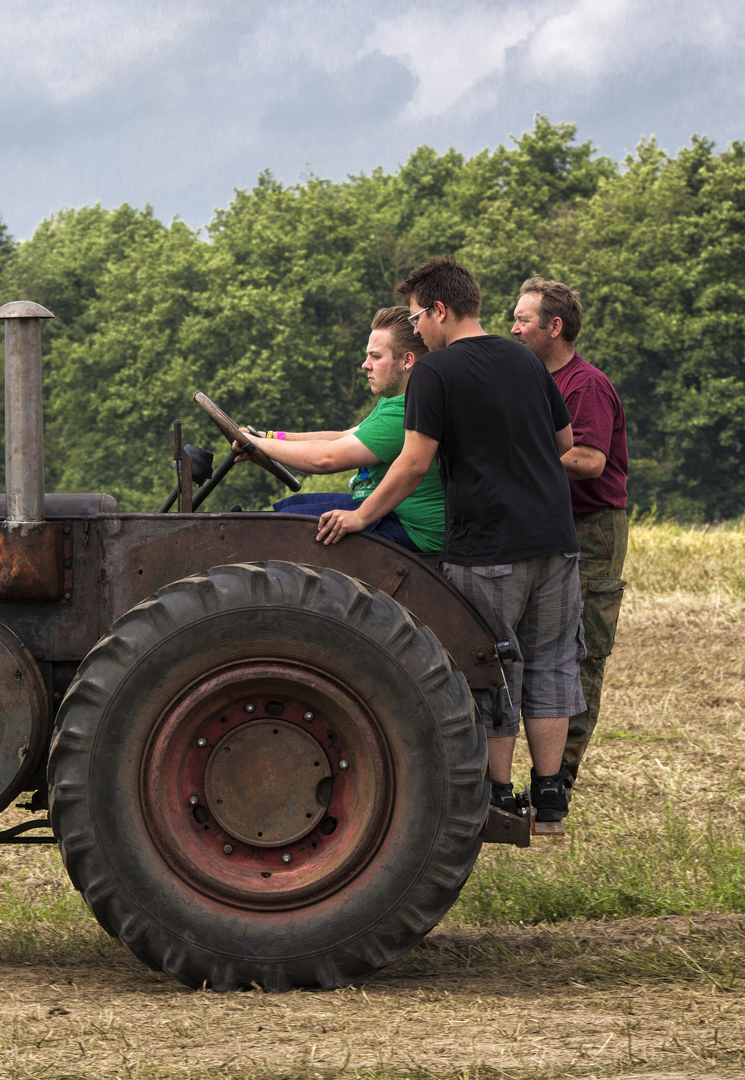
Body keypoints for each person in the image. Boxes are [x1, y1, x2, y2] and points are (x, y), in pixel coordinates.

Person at [315, 256, 582, 821]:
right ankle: (550, 792)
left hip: (488, 544)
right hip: (555, 537)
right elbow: (564, 441)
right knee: (553, 662)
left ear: (440, 310)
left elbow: (414, 463)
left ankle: (499, 795)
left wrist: (361, 516)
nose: (417, 329)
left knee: (492, 663)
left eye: (416, 318)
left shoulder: (435, 372)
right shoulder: (526, 359)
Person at [512, 276, 628, 789]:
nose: (513, 329)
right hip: (545, 523)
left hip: (591, 529)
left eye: (523, 320)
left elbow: (589, 460)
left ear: (554, 327)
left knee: (582, 652)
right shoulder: (531, 381)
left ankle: (558, 782)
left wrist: (515, 465)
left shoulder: (586, 386)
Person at [233, 307, 446, 553]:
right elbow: (344, 437)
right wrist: (268, 437)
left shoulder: (404, 408)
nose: (365, 365)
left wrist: (256, 444)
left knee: (284, 526)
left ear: (407, 361)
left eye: (375, 357)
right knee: (290, 508)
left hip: (411, 530)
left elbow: (327, 459)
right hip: (390, 513)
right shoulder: (396, 400)